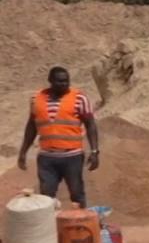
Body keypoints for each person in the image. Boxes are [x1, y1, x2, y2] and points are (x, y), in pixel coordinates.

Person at [16, 66, 100, 209]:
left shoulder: (79, 98)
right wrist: (23, 151)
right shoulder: (36, 99)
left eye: (66, 81)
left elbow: (90, 124)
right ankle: (50, 223)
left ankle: (80, 220)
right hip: (47, 158)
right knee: (46, 197)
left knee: (77, 194)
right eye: (60, 81)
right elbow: (31, 127)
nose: (64, 84)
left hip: (72, 157)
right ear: (50, 80)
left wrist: (94, 151)